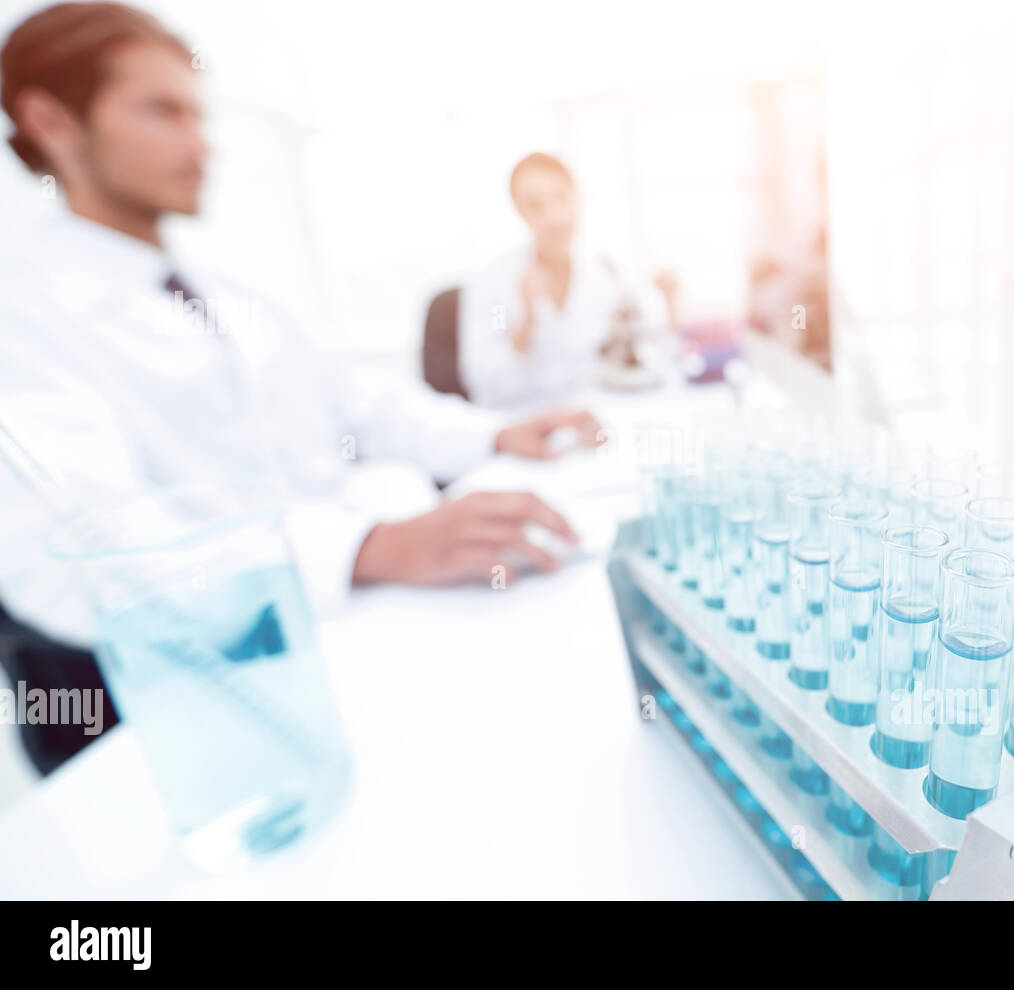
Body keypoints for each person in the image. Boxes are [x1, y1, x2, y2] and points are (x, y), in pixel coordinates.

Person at [0, 2, 605, 769]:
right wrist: (370, 547)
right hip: (211, 712)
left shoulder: (223, 290)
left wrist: (492, 435)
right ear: (52, 121)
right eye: (164, 112)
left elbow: (362, 404)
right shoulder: (21, 318)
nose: (201, 144)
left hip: (350, 632)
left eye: (199, 115)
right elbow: (85, 558)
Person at [458, 152, 676, 409]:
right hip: (522, 422)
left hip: (591, 420)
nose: (554, 216)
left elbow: (658, 342)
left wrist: (670, 299)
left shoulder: (609, 273)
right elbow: (484, 380)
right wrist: (526, 322)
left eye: (560, 197)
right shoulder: (495, 286)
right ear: (520, 211)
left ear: (576, 196)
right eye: (535, 205)